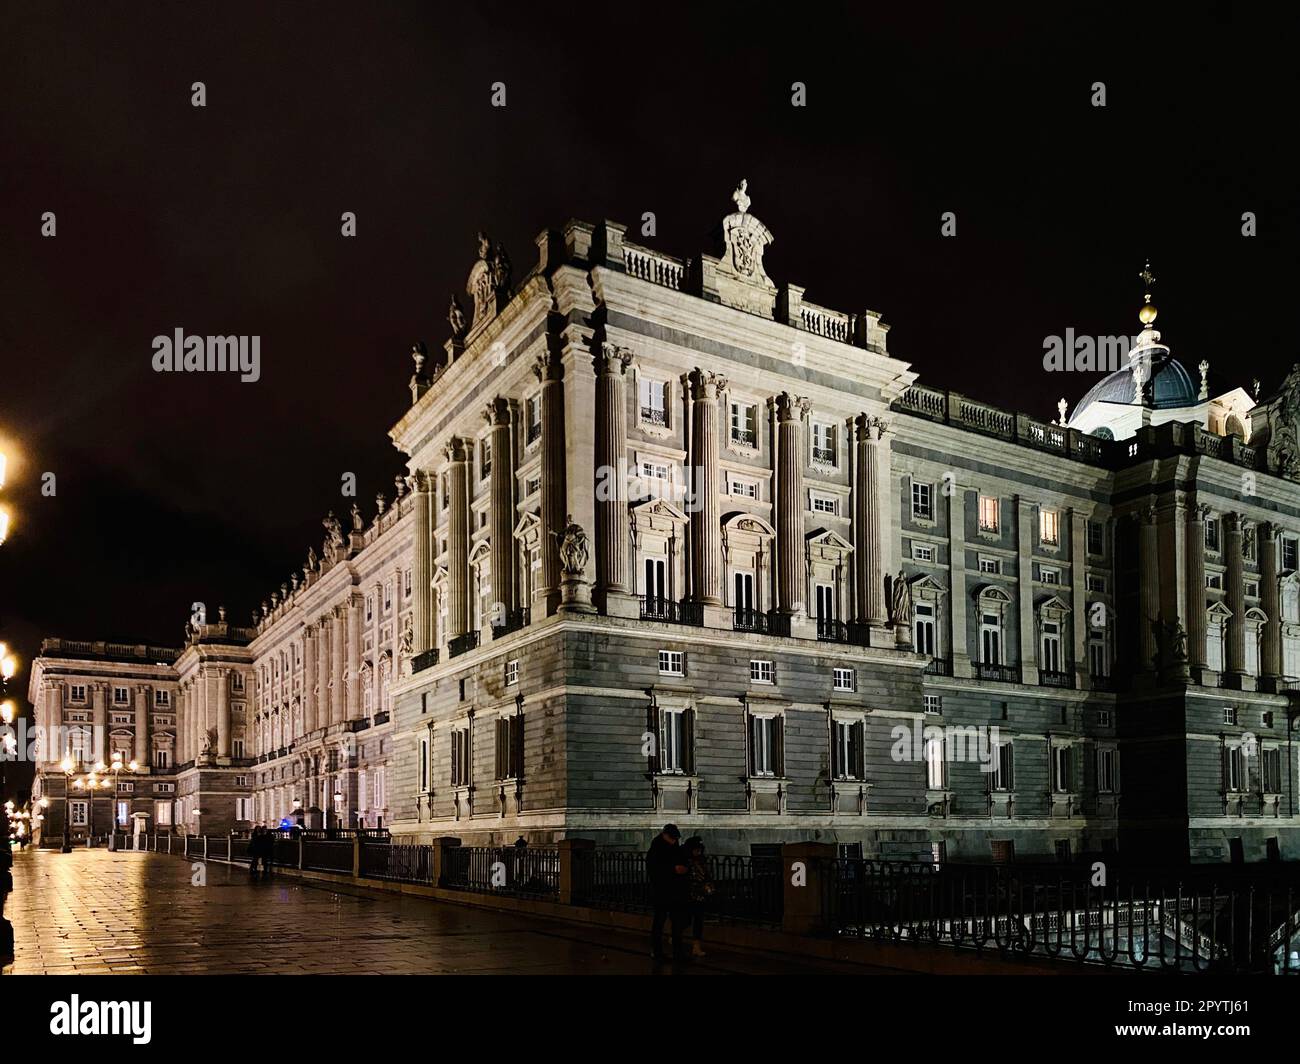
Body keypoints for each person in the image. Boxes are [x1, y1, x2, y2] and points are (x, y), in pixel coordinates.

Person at [645, 823, 688, 961]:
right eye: (672, 838)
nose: (674, 841)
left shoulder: (673, 847)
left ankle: (677, 952)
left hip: (674, 890)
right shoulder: (656, 849)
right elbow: (654, 870)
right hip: (661, 891)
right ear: (665, 835)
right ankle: (658, 951)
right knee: (660, 921)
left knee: (676, 922)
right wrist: (673, 869)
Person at [682, 836, 714, 958]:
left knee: (698, 920)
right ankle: (677, 937)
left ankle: (696, 946)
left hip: (700, 894)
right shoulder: (686, 861)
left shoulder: (702, 860)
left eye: (699, 849)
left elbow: (707, 875)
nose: (698, 852)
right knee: (687, 919)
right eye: (696, 849)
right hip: (689, 894)